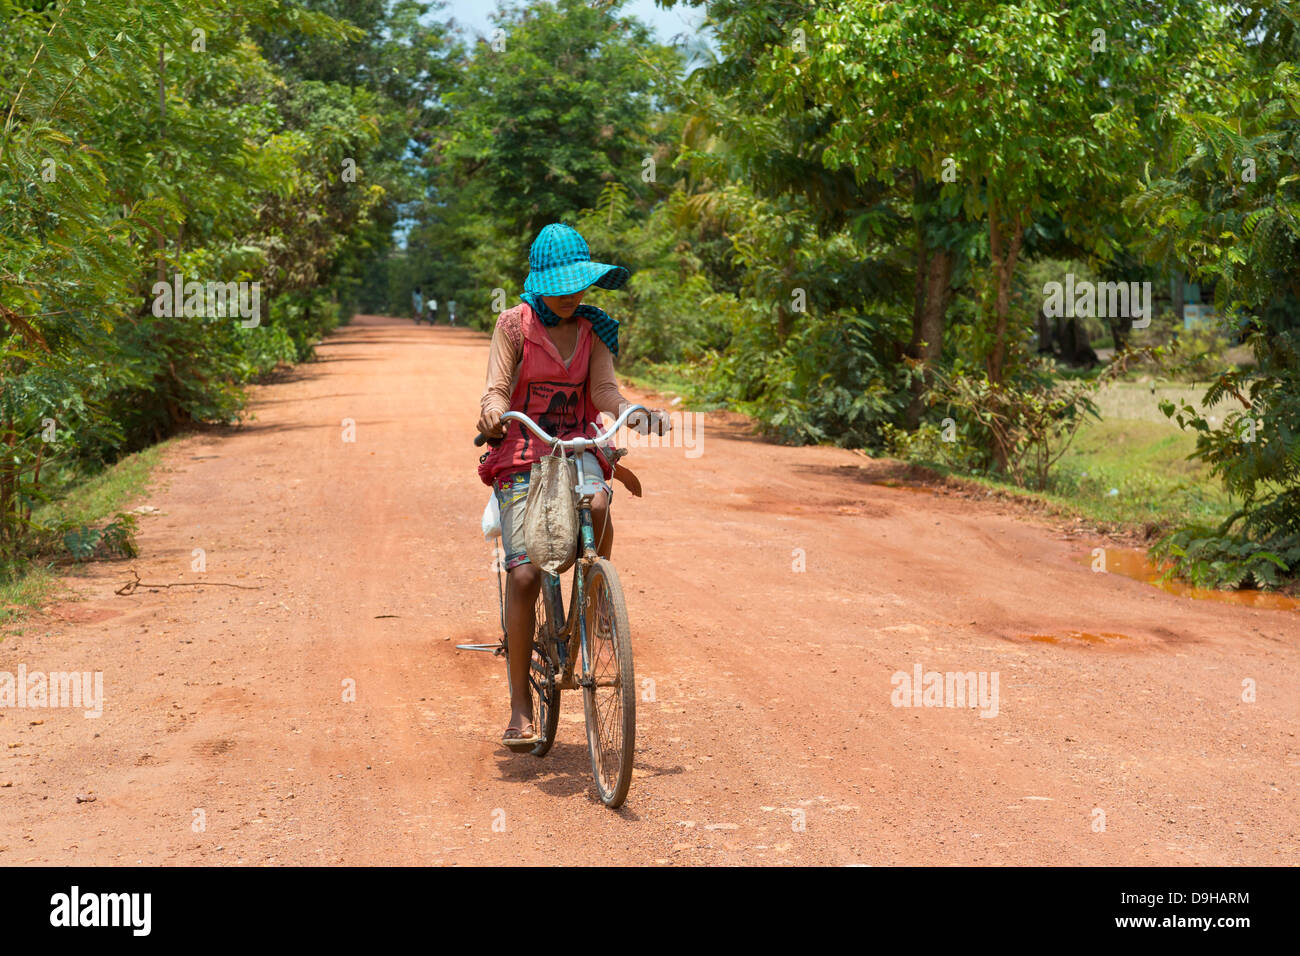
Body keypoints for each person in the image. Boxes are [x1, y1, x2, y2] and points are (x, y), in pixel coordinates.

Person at [476, 223, 668, 748]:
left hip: (578, 445)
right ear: (539, 282)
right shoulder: (513, 326)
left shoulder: (593, 330)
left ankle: (596, 593)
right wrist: (494, 412)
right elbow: (495, 388)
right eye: (559, 287)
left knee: (600, 502)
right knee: (525, 576)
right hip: (523, 450)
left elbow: (604, 389)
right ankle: (519, 708)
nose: (569, 296)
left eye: (577, 285)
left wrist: (631, 413)